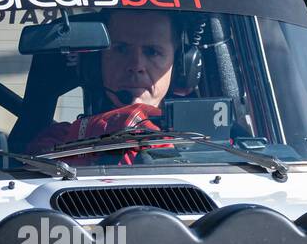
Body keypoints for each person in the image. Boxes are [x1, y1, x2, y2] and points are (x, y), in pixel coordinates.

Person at [26, 9, 193, 162]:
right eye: (121, 49)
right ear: (95, 63)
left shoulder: (210, 143)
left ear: (178, 66)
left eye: (152, 52)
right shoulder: (59, 141)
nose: (136, 66)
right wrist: (110, 127)